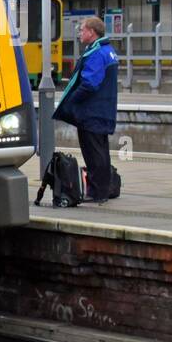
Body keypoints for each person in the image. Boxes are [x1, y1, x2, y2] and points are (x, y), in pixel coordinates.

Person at [51, 16, 119, 202]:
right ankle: (103, 190)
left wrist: (72, 101)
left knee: (93, 153)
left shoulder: (97, 53)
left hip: (92, 112)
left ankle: (98, 193)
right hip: (103, 110)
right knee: (101, 152)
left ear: (91, 32)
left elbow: (90, 83)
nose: (79, 33)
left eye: (82, 30)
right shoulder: (108, 50)